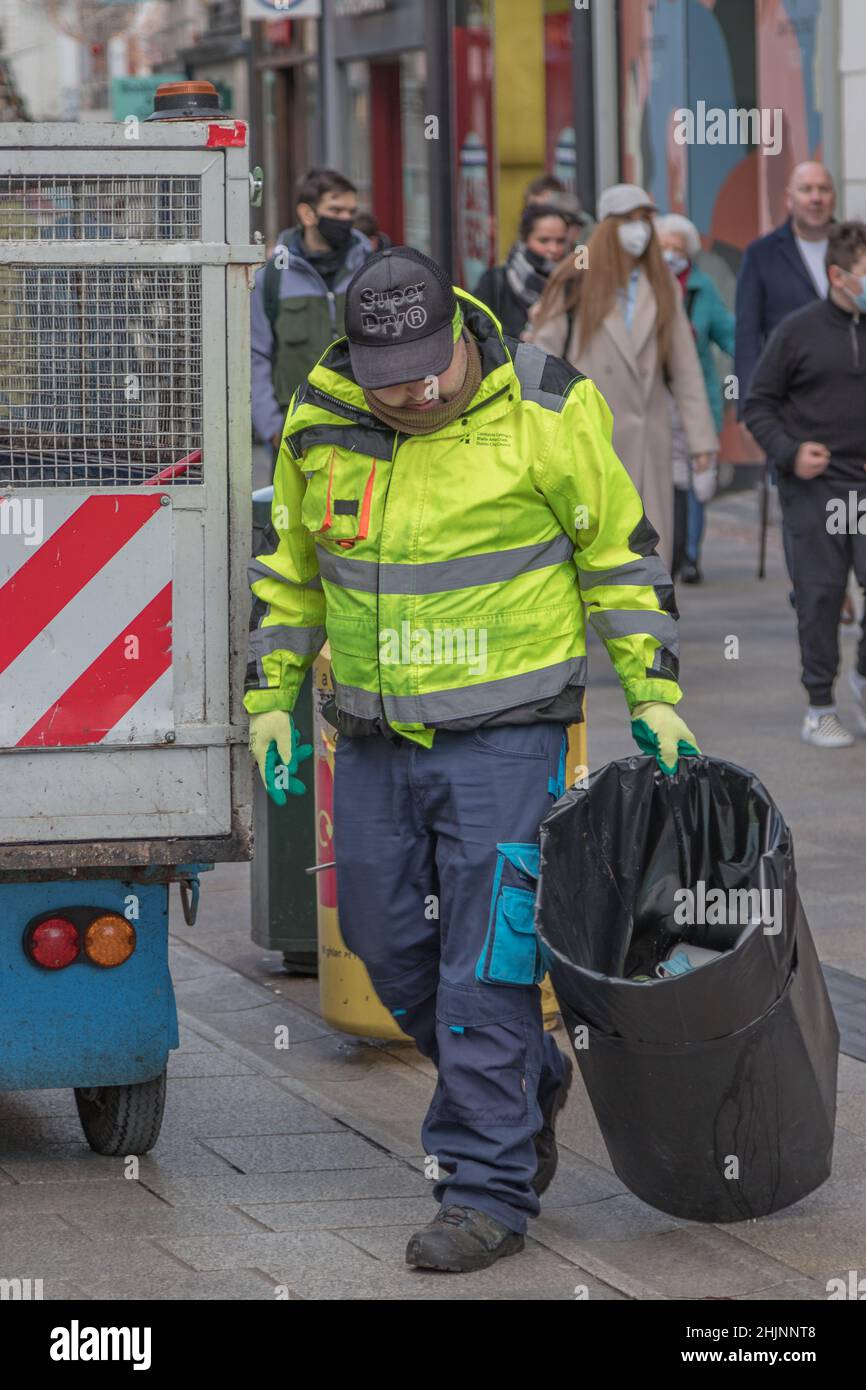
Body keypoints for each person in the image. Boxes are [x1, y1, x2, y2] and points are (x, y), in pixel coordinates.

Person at [243, 246, 700, 1272]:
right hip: (367, 736)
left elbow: (616, 555)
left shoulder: (543, 404)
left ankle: (484, 1186)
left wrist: (654, 696)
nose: (411, 391)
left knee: (481, 968)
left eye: (426, 368)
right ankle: (526, 1081)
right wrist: (268, 698)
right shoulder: (322, 419)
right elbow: (291, 575)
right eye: (387, 375)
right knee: (379, 934)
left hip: (507, 733)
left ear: (456, 330)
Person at [531, 183, 717, 568]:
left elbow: (683, 364)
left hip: (650, 434)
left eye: (645, 220)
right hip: (589, 434)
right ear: (608, 226)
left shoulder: (661, 282)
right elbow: (544, 354)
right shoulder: (577, 276)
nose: (639, 230)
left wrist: (701, 439)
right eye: (629, 221)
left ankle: (650, 621)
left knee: (650, 548)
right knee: (595, 545)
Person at [743, 220, 866, 748]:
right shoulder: (797, 331)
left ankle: (862, 673)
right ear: (839, 276)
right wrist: (793, 453)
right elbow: (757, 404)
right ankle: (820, 706)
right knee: (820, 597)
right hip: (816, 486)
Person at [735, 163, 837, 600]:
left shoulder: (854, 247)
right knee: (801, 507)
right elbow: (747, 333)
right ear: (789, 199)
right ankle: (813, 589)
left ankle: (836, 581)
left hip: (851, 399)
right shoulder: (762, 254)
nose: (816, 197)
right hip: (790, 406)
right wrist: (749, 407)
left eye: (823, 189)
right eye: (807, 189)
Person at [250, 168, 371, 456]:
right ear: (307, 214)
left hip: (364, 428)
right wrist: (272, 429)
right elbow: (256, 354)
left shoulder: (369, 268)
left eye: (350, 211)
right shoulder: (272, 277)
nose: (345, 219)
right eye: (335, 209)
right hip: (295, 432)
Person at [656, 213, 735, 583]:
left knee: (697, 477)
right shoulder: (642, 288)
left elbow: (729, 334)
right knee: (663, 478)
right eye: (664, 248)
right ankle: (662, 549)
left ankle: (690, 555)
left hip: (695, 399)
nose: (671, 255)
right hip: (654, 401)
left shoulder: (703, 289)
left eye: (678, 248)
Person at [473, 202, 570, 338]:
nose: (553, 249)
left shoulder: (574, 282)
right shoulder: (496, 281)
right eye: (544, 240)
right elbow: (478, 329)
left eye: (560, 241)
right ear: (525, 239)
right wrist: (521, 337)